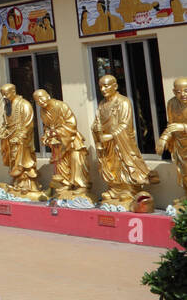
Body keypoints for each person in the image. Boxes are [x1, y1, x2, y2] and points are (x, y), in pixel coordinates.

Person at [92, 74, 152, 209]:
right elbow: (97, 122)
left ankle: (128, 191)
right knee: (110, 166)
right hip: (106, 143)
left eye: (106, 86)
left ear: (115, 86)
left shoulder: (123, 102)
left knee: (123, 164)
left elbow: (125, 124)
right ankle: (114, 190)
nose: (103, 89)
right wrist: (95, 128)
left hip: (121, 142)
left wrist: (111, 136)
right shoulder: (102, 104)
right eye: (101, 86)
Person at [33, 90, 92, 201]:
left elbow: (71, 123)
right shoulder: (42, 112)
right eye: (37, 101)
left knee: (76, 160)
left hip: (71, 139)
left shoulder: (61, 106)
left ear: (48, 95)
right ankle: (65, 184)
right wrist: (47, 135)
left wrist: (57, 132)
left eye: (41, 98)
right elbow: (47, 126)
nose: (40, 102)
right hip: (58, 143)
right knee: (60, 164)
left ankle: (81, 185)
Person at [0, 84, 42, 199]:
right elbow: (6, 123)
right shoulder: (8, 106)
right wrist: (4, 131)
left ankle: (28, 185)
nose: (5, 97)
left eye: (6, 94)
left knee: (23, 162)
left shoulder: (24, 105)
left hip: (22, 139)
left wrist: (20, 135)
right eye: (3, 95)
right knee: (13, 161)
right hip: (11, 138)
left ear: (13, 92)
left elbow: (29, 124)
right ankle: (18, 183)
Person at [155, 76, 187, 209]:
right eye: (179, 92)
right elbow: (171, 124)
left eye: (186, 90)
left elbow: (177, 126)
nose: (183, 94)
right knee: (184, 173)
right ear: (174, 92)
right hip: (180, 145)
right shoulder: (171, 103)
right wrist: (163, 139)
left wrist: (183, 127)